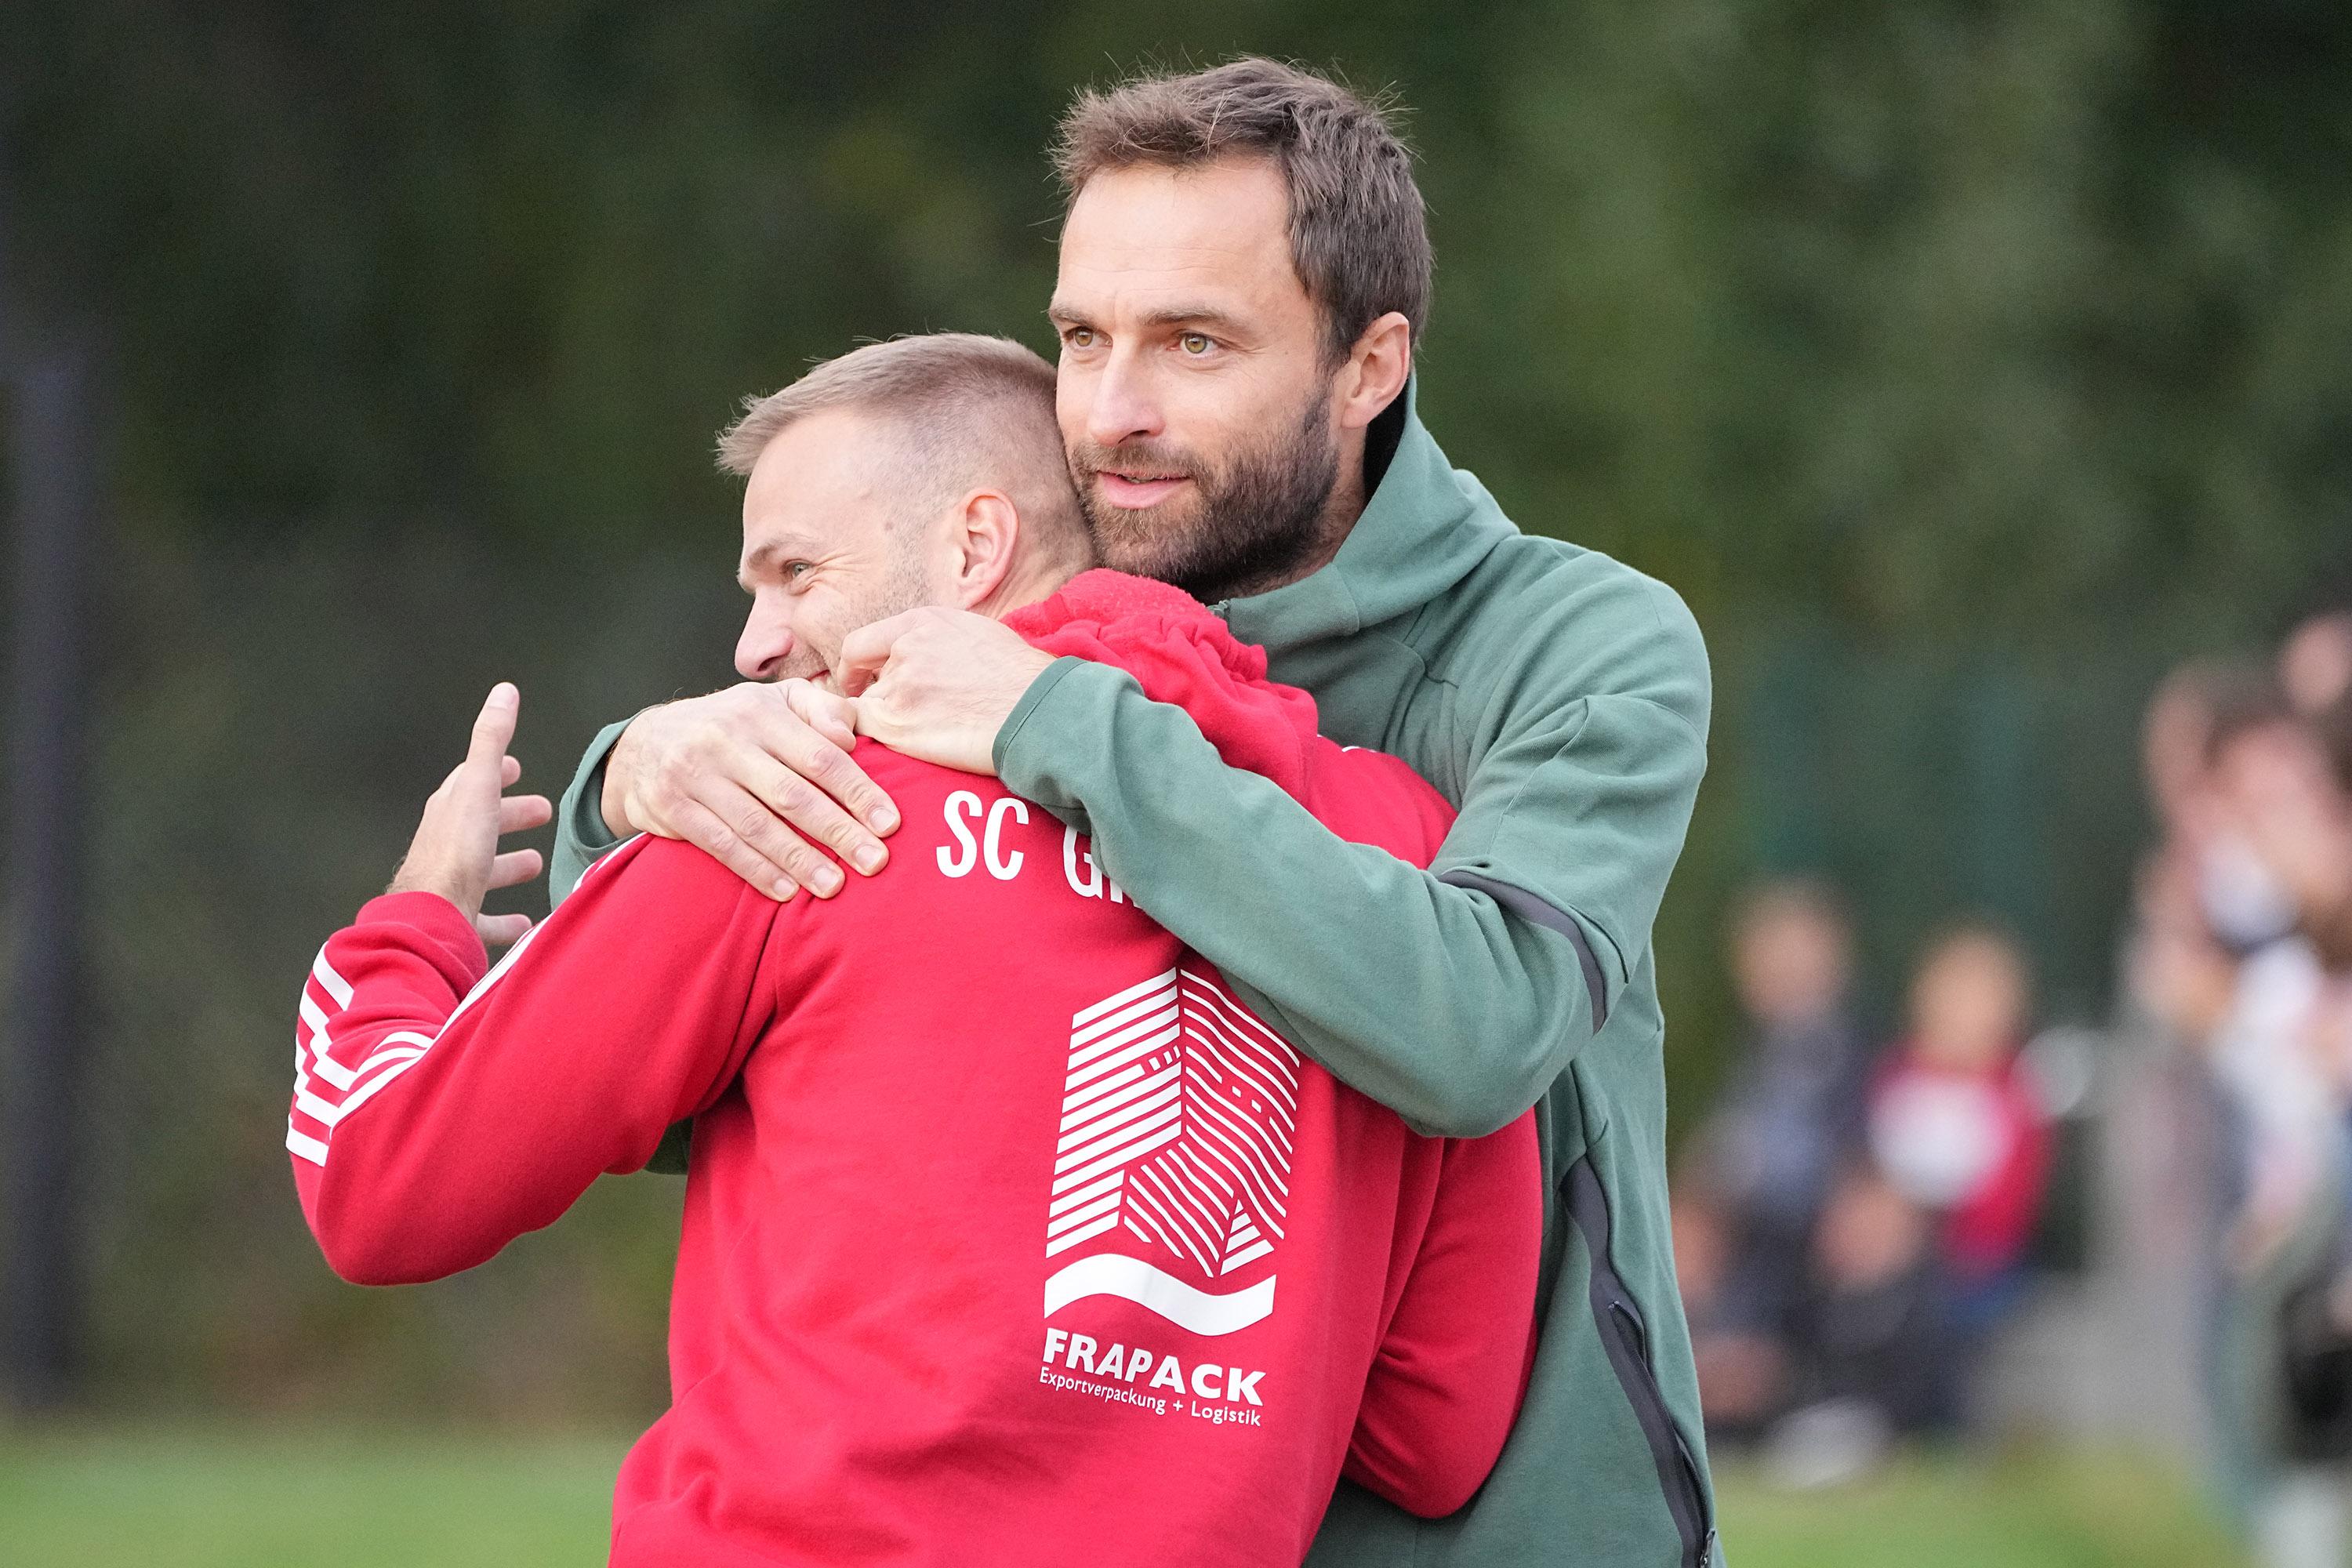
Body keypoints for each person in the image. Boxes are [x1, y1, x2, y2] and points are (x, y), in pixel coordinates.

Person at [553, 60, 1716, 1568]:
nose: (1111, 413)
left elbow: (1478, 1025)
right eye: (1083, 338)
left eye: (1194, 343)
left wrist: (1070, 733)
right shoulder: (1011, 635)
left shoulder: (1581, 643)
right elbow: (744, 1059)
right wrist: (623, 786)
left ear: (1369, 369)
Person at [286, 335, 1544, 1566]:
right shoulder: (1402, 862)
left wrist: (419, 922)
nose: (755, 648)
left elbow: (381, 1189)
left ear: (975, 547)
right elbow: (1437, 1431)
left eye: (797, 572)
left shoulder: (798, 808)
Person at [1866, 924, 2050, 1339]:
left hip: (1973, 1265)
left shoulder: (2014, 1092)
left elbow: (2010, 1201)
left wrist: (1924, 1228)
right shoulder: (1896, 1075)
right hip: (1881, 1252)